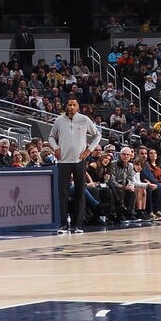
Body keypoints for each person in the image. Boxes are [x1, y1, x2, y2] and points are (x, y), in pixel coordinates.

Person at [48, 96, 102, 234]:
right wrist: (55, 148)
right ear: (66, 106)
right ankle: (63, 224)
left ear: (78, 107)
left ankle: (79, 224)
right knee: (63, 194)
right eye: (69, 105)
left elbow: (97, 135)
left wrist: (89, 150)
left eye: (74, 105)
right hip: (63, 161)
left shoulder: (84, 119)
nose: (71, 107)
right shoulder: (59, 120)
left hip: (79, 161)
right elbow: (51, 136)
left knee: (80, 193)